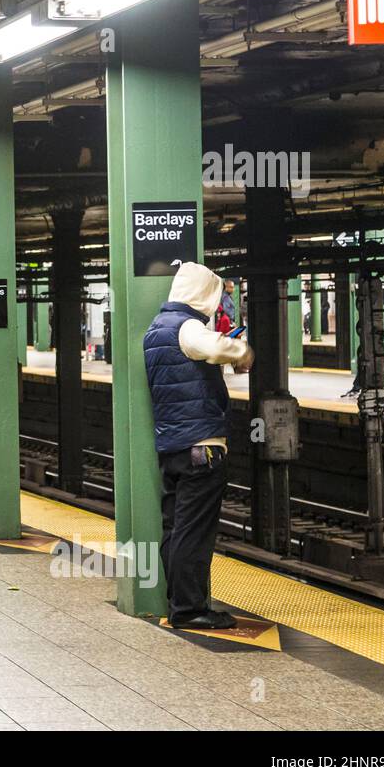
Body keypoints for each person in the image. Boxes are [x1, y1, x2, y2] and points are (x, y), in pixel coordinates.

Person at [143, 262, 254, 630]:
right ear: (204, 293)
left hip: (173, 447)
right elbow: (215, 346)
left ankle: (180, 603)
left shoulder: (156, 330)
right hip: (201, 447)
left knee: (175, 529)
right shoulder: (187, 327)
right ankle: (190, 610)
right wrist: (241, 350)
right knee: (194, 532)